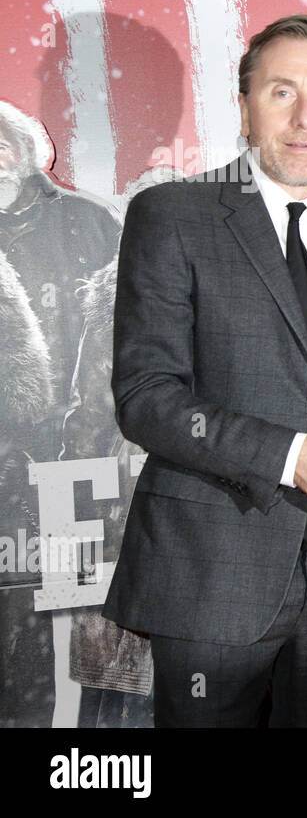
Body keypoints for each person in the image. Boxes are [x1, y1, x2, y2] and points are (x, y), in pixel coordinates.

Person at [104, 14, 307, 727]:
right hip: (210, 577)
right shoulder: (173, 216)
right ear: (245, 108)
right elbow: (147, 397)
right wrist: (292, 457)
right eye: (282, 92)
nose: (306, 116)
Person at [0, 100, 119, 727]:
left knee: (90, 636)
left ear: (25, 153)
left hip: (72, 468)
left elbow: (116, 349)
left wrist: (86, 453)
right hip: (6, 471)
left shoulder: (86, 223)